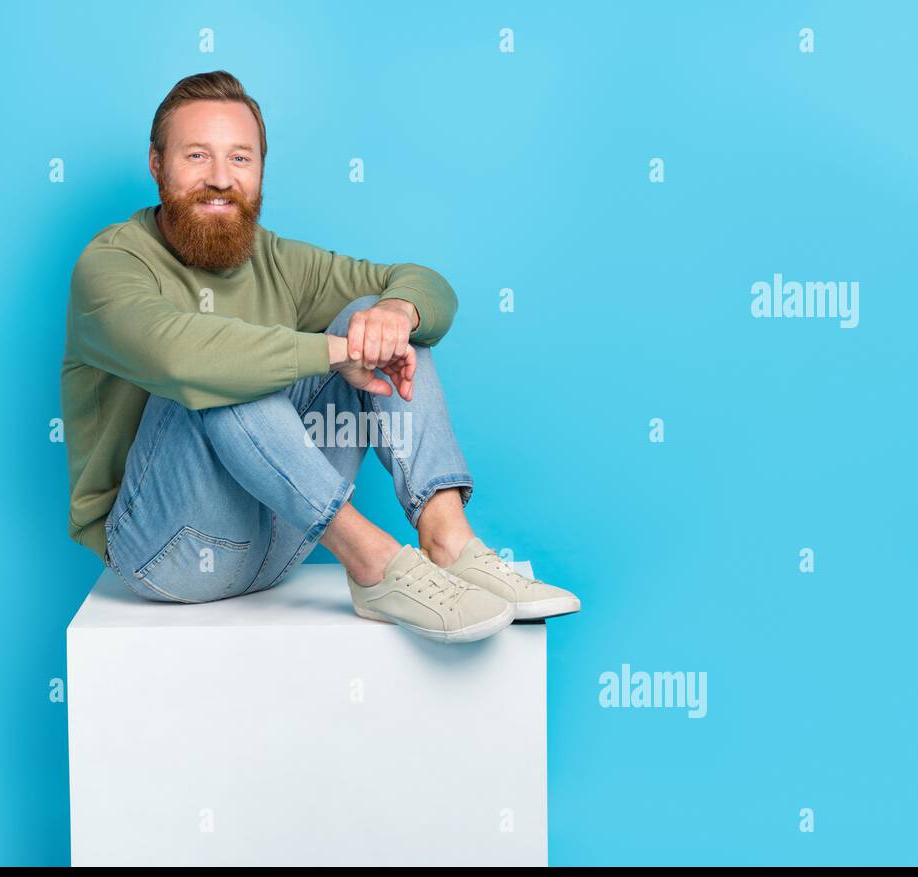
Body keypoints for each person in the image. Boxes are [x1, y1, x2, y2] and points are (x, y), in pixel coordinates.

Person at [59, 70, 580, 643]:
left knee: (374, 310)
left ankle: (447, 539)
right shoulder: (110, 265)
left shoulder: (276, 258)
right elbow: (184, 358)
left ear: (259, 171)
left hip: (282, 543)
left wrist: (395, 315)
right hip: (165, 552)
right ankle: (375, 563)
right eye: (196, 156)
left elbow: (426, 286)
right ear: (157, 165)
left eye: (239, 159)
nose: (219, 179)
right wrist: (338, 352)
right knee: (222, 367)